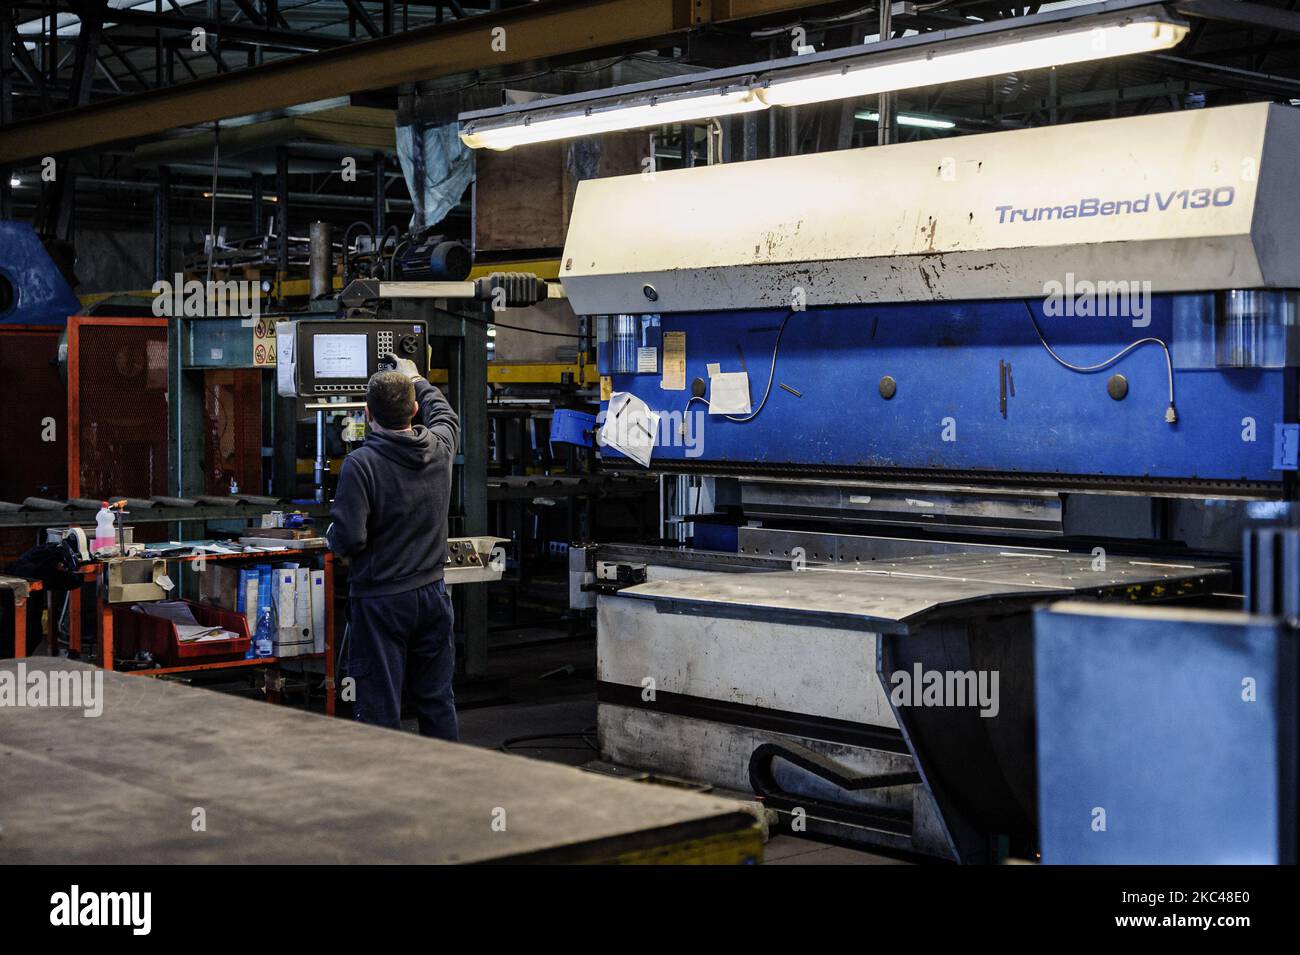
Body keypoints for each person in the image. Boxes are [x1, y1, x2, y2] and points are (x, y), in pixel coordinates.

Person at [326, 354, 461, 740]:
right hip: (433, 596)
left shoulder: (361, 464)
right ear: (415, 410)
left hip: (380, 601)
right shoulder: (439, 446)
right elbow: (446, 415)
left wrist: (333, 537)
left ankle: (387, 795)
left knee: (380, 707)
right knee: (436, 699)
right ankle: (454, 785)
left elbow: (349, 538)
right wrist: (416, 376)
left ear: (367, 414)